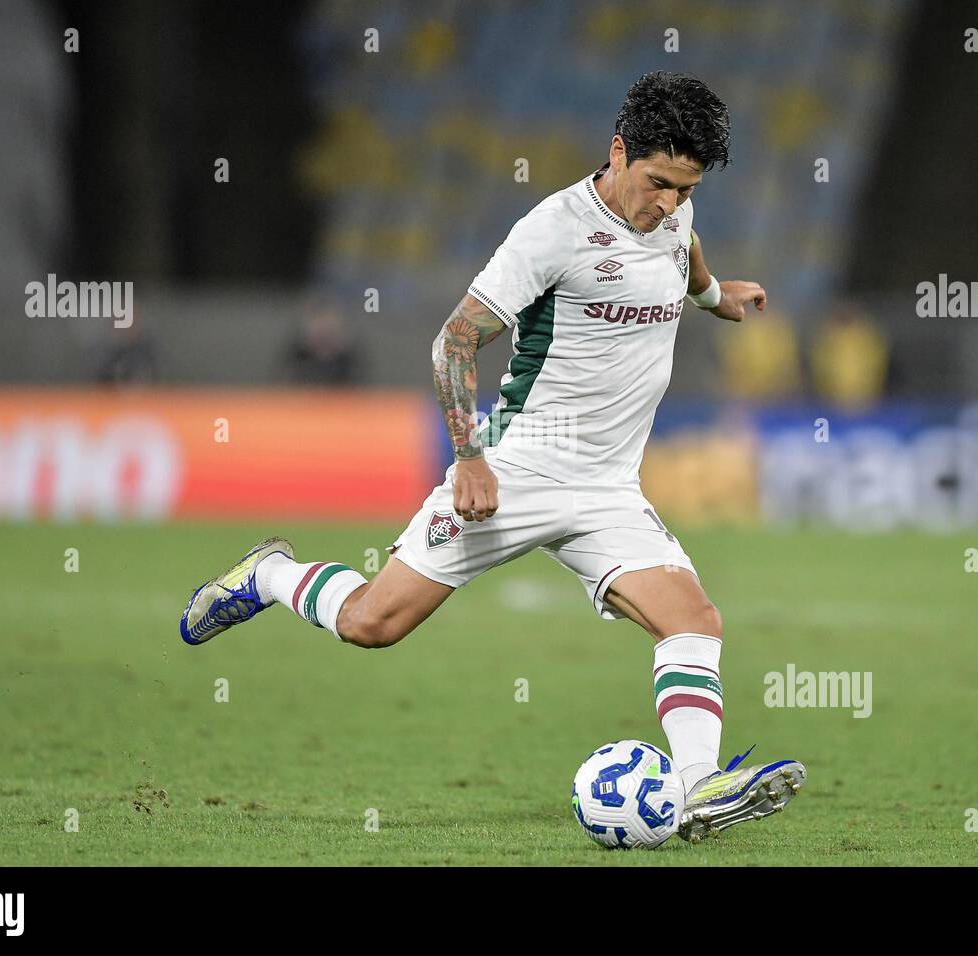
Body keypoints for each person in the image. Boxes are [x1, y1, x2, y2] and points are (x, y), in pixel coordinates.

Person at [178, 72, 805, 843]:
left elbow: (686, 253)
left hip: (608, 487)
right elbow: (455, 339)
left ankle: (700, 784)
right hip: (518, 471)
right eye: (658, 184)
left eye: (685, 188)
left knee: (694, 618)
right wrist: (470, 456)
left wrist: (716, 297)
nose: (670, 203)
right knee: (375, 622)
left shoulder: (674, 216)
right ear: (617, 153)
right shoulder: (552, 231)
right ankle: (267, 573)